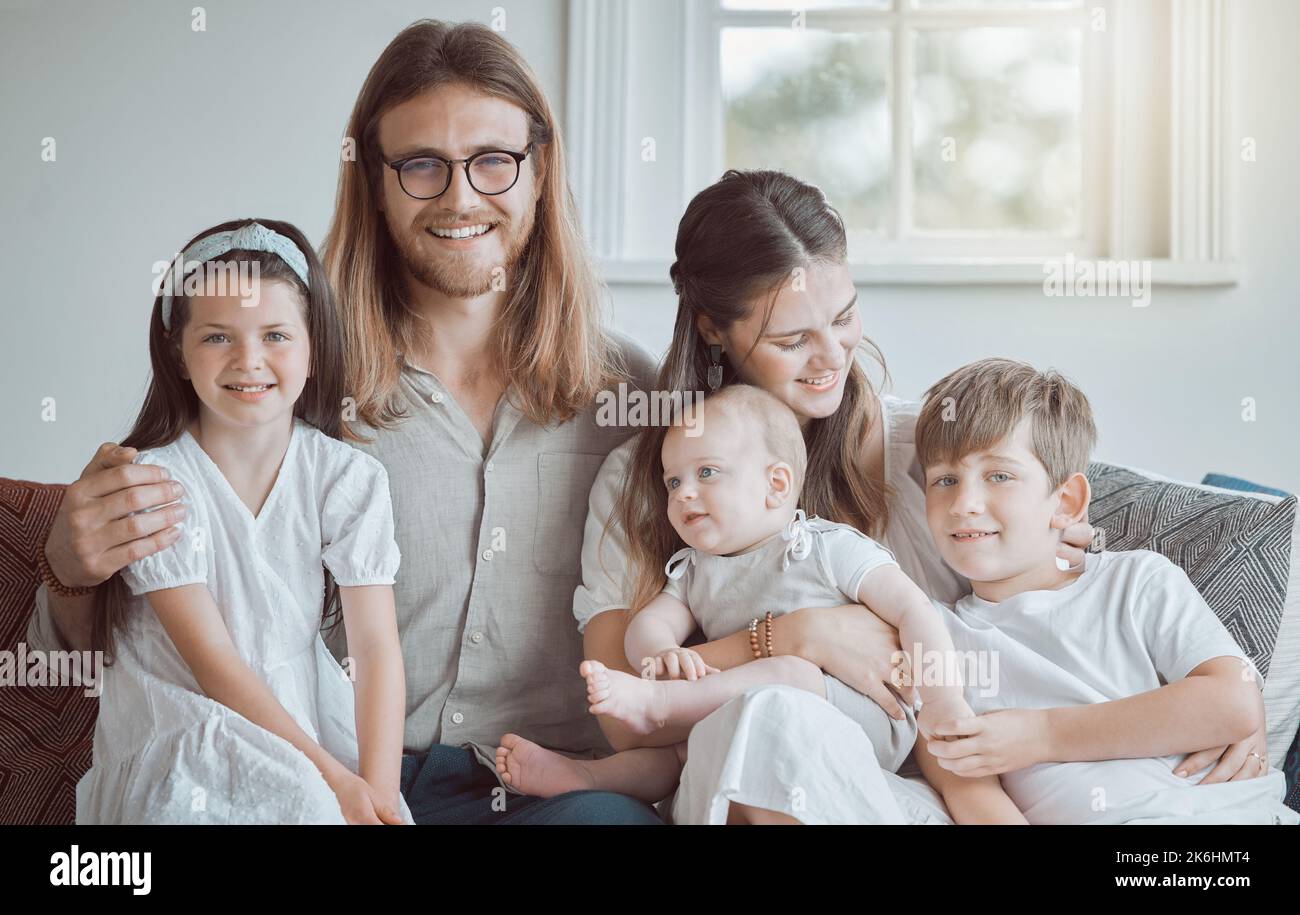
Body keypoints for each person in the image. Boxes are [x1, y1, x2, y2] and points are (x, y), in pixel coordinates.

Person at [29, 20, 661, 825]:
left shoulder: (632, 396)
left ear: (541, 170)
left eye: (494, 160)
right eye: (422, 166)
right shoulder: (282, 380)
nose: (462, 197)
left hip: (556, 788)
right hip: (332, 777)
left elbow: (735, 569)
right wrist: (68, 571)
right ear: (373, 180)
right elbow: (97, 661)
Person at [575, 170, 1265, 825]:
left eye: (844, 317)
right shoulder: (646, 483)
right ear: (712, 328)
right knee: (771, 721)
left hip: (913, 791)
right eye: (791, 339)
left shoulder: (931, 453)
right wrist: (792, 638)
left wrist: (1241, 704)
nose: (832, 357)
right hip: (764, 769)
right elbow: (623, 717)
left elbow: (1067, 557)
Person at [496, 385, 973, 816]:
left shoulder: (826, 547)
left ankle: (660, 704)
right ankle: (585, 777)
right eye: (673, 482)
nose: (685, 494)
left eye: (706, 472)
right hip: (747, 711)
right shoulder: (694, 570)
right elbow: (651, 625)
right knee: (679, 756)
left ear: (776, 485)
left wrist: (945, 700)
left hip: (863, 717)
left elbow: (914, 610)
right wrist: (661, 655)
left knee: (795, 672)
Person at [76, 218, 411, 825]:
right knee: (307, 803)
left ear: (313, 349)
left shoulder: (348, 479)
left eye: (276, 335)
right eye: (217, 338)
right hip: (186, 722)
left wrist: (379, 794)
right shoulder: (153, 483)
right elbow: (213, 662)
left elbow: (375, 645)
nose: (248, 361)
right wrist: (333, 779)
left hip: (300, 718)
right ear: (179, 353)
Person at [909, 358, 1299, 825]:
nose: (964, 504)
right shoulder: (932, 632)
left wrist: (1043, 735)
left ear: (1067, 502)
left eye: (999, 475)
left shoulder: (1135, 581)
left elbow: (1232, 701)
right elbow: (965, 787)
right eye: (945, 481)